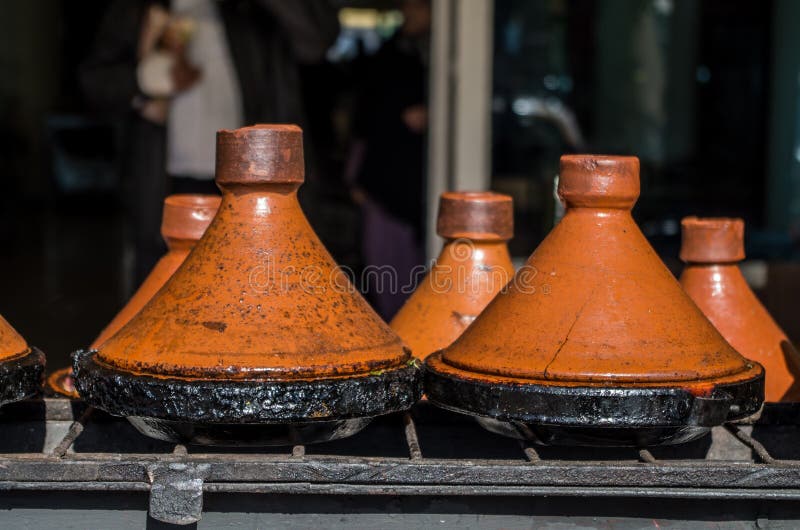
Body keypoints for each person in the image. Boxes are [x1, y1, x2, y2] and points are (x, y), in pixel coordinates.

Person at [80, 0, 339, 282]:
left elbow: (318, 39)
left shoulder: (248, 11)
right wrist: (145, 80)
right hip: (164, 183)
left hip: (248, 186)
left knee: (248, 288)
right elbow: (95, 80)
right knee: (163, 291)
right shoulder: (137, 9)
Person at [348, 0, 430, 319]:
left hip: (420, 182)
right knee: (388, 273)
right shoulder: (389, 56)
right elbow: (364, 122)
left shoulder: (445, 55)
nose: (411, 11)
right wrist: (355, 175)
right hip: (385, 182)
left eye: (420, 6)